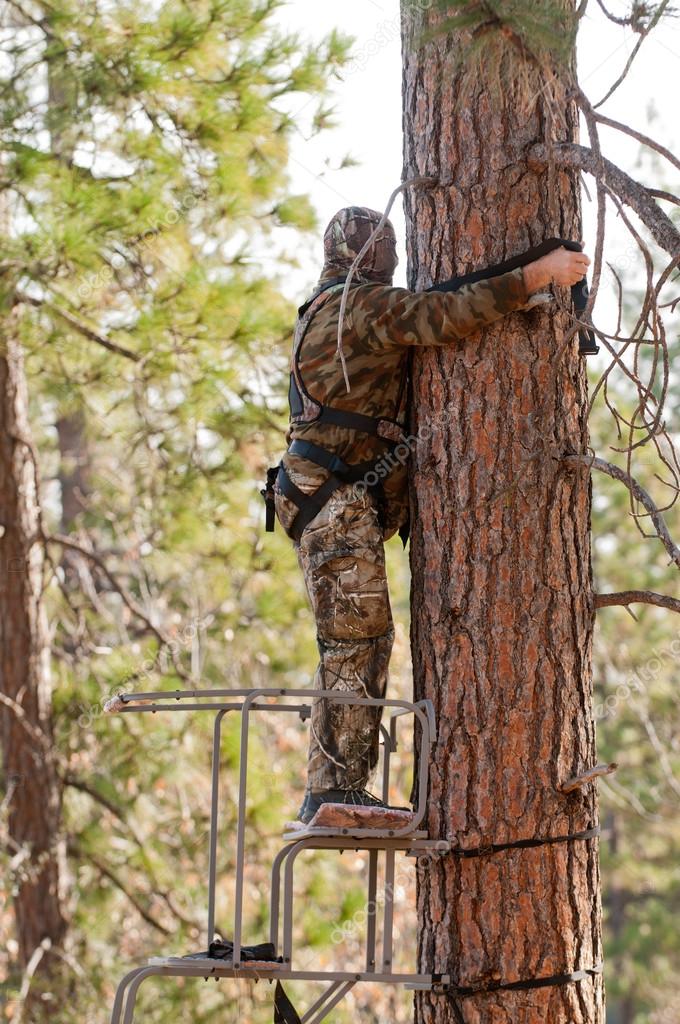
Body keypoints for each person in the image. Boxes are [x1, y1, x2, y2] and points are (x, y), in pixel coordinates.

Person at [272, 206, 590, 826]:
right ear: (375, 259)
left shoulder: (337, 308)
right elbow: (436, 316)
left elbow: (425, 317)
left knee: (365, 634)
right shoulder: (355, 308)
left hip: (329, 494)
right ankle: (332, 790)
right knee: (356, 635)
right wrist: (533, 276)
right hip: (328, 495)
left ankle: (337, 787)